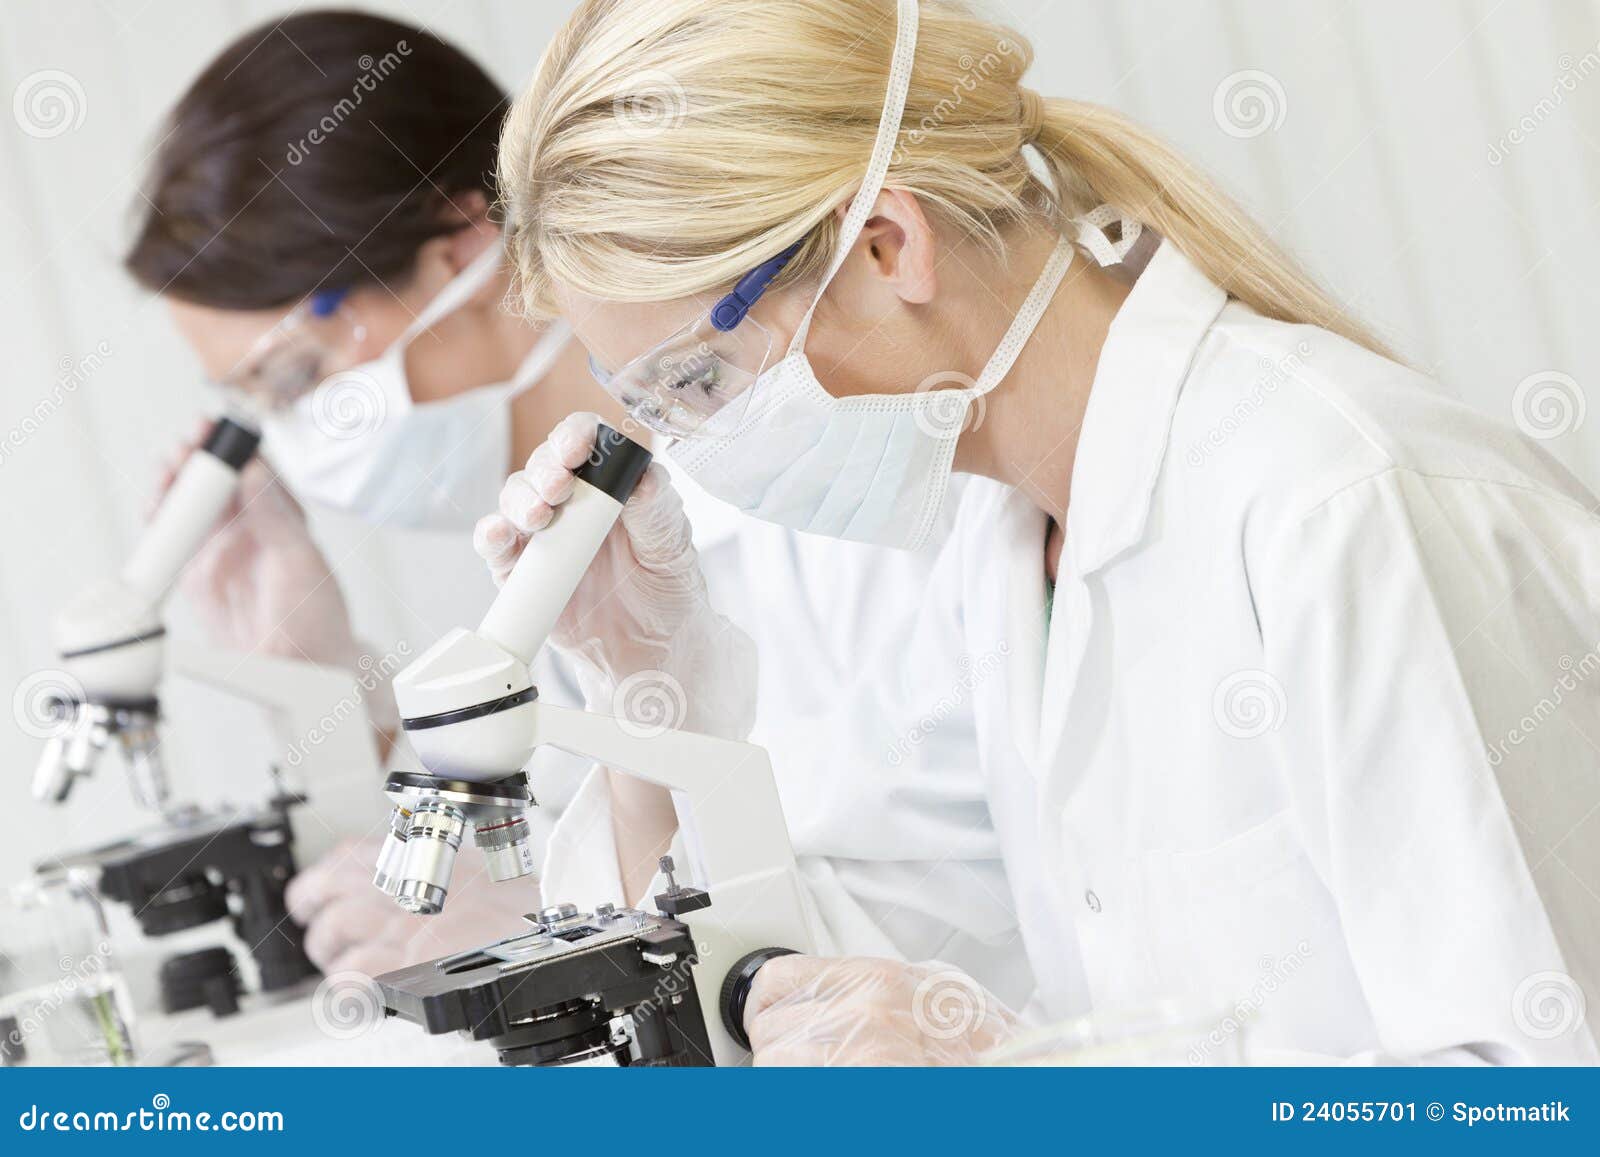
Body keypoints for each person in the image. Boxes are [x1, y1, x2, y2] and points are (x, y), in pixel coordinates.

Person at [480, 0, 1600, 1064]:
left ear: (884, 246)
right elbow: (826, 977)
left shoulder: (1341, 510)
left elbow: (1533, 1089)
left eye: (699, 378)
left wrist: (1040, 1079)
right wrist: (648, 696)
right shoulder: (999, 541)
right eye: (656, 406)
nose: (689, 448)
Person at [124, 10, 1028, 1003]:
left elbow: (943, 893)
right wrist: (323, 676)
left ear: (465, 242)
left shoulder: (816, 475)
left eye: (294, 375)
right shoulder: (560, 540)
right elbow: (500, 867)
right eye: (253, 406)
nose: (295, 438)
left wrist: (560, 926)